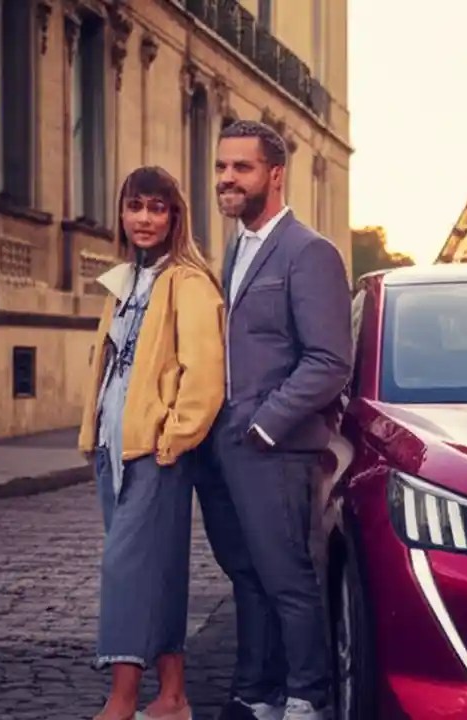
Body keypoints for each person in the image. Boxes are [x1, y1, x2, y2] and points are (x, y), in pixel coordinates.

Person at [197, 120, 352, 720]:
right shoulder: (238, 247)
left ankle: (306, 697)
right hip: (227, 446)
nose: (227, 179)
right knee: (249, 576)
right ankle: (257, 691)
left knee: (288, 579)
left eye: (242, 168)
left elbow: (329, 360)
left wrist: (265, 426)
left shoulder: (310, 253)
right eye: (221, 167)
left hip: (275, 447)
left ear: (275, 175)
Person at [78, 166, 226, 720]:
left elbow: (204, 372)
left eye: (156, 208)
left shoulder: (188, 282)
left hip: (154, 452)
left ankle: (120, 701)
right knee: (155, 569)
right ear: (122, 213)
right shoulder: (125, 281)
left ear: (174, 216)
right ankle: (172, 698)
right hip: (112, 449)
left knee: (124, 568)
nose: (144, 218)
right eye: (134, 206)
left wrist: (173, 438)